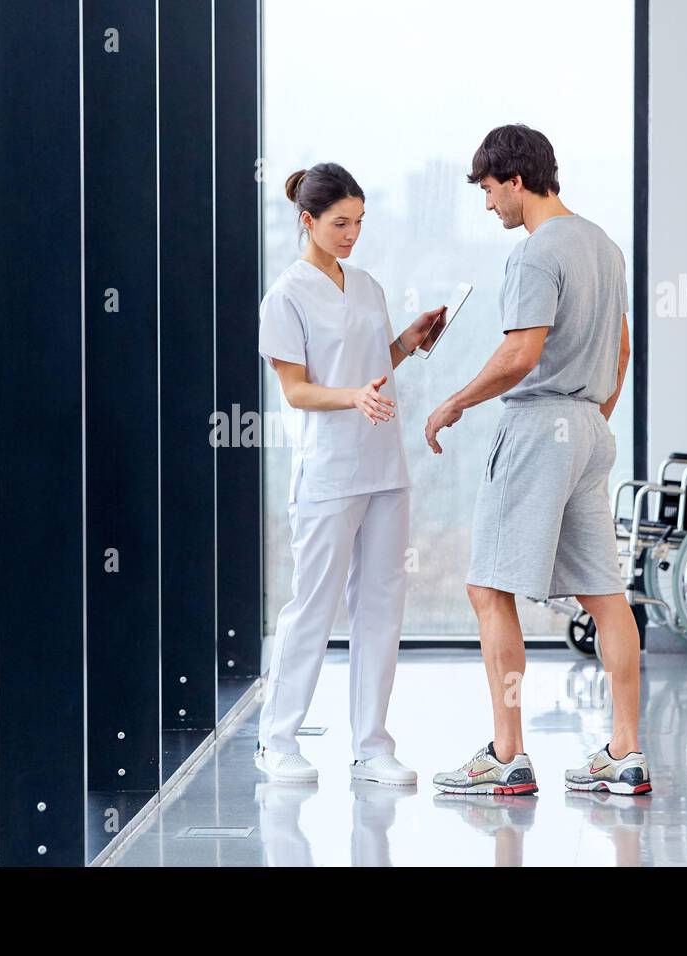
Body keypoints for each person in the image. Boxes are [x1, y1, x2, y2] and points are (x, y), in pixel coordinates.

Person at [424, 124, 652, 796]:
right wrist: (587, 421)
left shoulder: (535, 254)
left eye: (491, 192)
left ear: (516, 180)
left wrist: (453, 403)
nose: (489, 206)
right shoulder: (603, 245)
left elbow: (521, 356)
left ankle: (507, 753)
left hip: (538, 427)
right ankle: (626, 753)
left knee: (487, 588)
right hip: (588, 430)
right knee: (607, 597)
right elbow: (623, 352)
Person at [254, 161, 445, 786]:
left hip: (384, 464)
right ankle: (276, 740)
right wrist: (353, 399)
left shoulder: (366, 285)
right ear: (307, 220)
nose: (351, 234)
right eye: (340, 223)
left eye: (359, 222)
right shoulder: (285, 295)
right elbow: (298, 391)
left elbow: (372, 363)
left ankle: (372, 746)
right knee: (313, 605)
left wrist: (408, 342)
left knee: (382, 604)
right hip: (329, 468)